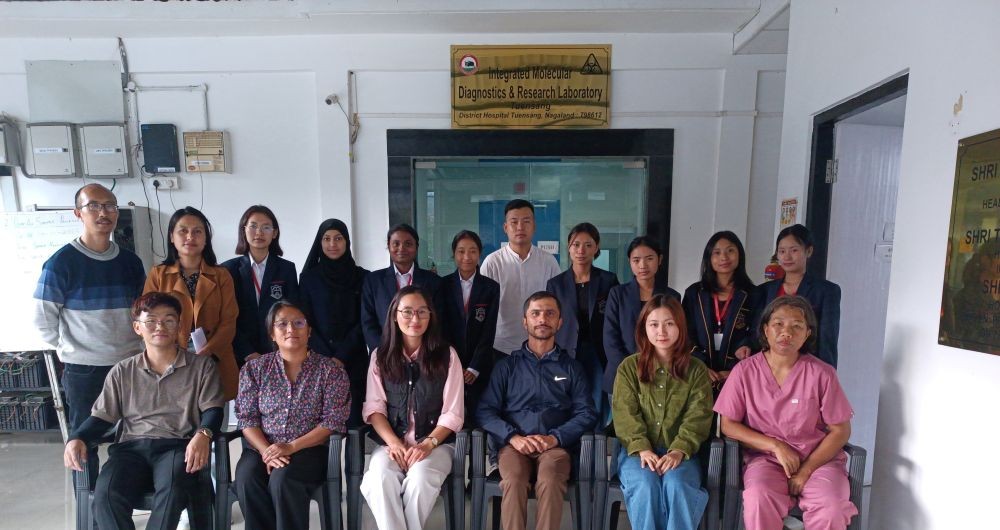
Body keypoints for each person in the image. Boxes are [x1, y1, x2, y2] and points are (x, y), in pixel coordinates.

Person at [63, 291, 225, 530]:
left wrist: (203, 433)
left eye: (169, 320)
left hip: (176, 447)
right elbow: (101, 417)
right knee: (106, 496)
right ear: (137, 327)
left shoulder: (201, 367)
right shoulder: (122, 371)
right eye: (151, 321)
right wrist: (77, 437)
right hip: (131, 449)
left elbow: (213, 409)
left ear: (179, 326)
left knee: (172, 492)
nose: (160, 326)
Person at [35, 183, 146, 485]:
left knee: (133, 437)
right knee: (84, 442)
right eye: (93, 206)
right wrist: (73, 348)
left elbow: (141, 312)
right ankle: (90, 506)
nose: (103, 213)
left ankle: (120, 498)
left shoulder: (130, 263)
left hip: (129, 365)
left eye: (109, 205)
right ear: (78, 213)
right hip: (84, 369)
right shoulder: (61, 263)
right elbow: (43, 319)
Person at [715, 296, 857, 530]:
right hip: (766, 460)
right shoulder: (744, 371)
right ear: (766, 329)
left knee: (831, 509)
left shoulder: (822, 373)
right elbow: (728, 424)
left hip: (818, 462)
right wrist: (776, 446)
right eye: (778, 324)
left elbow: (840, 430)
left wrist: (806, 470)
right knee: (758, 499)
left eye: (797, 326)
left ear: (807, 334)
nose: (786, 332)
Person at [477, 291, 597, 530]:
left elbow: (587, 413)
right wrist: (513, 437)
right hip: (514, 446)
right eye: (536, 313)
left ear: (559, 322)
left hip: (556, 447)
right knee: (514, 479)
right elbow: (485, 411)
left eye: (550, 314)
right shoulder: (506, 367)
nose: (542, 319)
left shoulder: (571, 368)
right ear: (525, 321)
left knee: (550, 478)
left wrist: (555, 437)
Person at [235, 300, 351, 530]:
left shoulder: (330, 371)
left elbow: (333, 421)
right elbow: (247, 418)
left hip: (308, 450)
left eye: (299, 323)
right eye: (282, 324)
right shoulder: (254, 369)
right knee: (248, 478)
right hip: (261, 448)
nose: (291, 329)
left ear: (309, 331)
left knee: (282, 479)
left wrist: (290, 447)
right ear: (272, 333)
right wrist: (266, 451)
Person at [360, 286, 465, 530]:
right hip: (392, 443)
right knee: (378, 479)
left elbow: (453, 413)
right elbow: (375, 408)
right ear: (395, 316)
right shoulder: (380, 356)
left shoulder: (447, 356)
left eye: (422, 312)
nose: (414, 319)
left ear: (431, 316)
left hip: (436, 443)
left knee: (420, 478)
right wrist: (394, 443)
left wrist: (428, 443)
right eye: (407, 312)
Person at [611, 294, 713, 530]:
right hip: (637, 453)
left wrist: (679, 449)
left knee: (677, 485)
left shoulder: (696, 369)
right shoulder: (629, 367)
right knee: (645, 485)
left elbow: (698, 416)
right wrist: (643, 448)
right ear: (643, 328)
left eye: (669, 323)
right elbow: (625, 414)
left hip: (681, 453)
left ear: (680, 327)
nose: (661, 331)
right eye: (654, 324)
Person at [144, 207, 239, 400]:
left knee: (213, 413)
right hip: (170, 358)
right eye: (183, 231)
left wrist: (209, 351)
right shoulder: (158, 274)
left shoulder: (221, 275)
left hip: (215, 357)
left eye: (197, 231)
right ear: (171, 237)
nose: (190, 237)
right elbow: (148, 319)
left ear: (206, 238)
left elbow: (229, 321)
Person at [299, 219, 370, 427]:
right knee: (320, 423)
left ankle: (354, 452)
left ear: (347, 242)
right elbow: (304, 320)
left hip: (353, 359)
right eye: (327, 239)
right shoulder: (308, 278)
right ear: (319, 243)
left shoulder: (363, 277)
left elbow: (364, 320)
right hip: (318, 359)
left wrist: (341, 356)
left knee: (354, 422)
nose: (332, 244)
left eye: (338, 238)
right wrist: (327, 357)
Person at [546, 222, 619, 416]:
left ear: (596, 248)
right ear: (569, 247)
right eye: (576, 244)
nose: (581, 250)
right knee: (567, 399)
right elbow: (551, 321)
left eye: (588, 245)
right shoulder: (555, 284)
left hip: (598, 350)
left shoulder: (608, 280)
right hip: (566, 349)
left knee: (596, 399)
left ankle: (595, 433)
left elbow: (615, 318)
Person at [752, 224, 841, 367]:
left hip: (806, 367)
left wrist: (827, 373)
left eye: (794, 250)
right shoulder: (764, 290)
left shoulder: (827, 291)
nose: (787, 256)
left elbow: (827, 339)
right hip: (769, 366)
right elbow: (757, 332)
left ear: (809, 251)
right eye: (782, 251)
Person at [222, 205, 299, 368]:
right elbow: (226, 318)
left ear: (274, 233)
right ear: (244, 230)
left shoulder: (286, 269)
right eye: (253, 226)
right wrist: (247, 352)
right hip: (240, 355)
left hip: (277, 353)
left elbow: (291, 313)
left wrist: (280, 349)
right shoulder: (228, 270)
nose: (259, 232)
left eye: (266, 227)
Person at [481, 199, 561, 355]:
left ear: (534, 226)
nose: (520, 227)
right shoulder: (492, 262)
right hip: (500, 345)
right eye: (514, 222)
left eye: (526, 221)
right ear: (505, 227)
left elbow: (558, 302)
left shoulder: (548, 261)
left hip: (540, 345)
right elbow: (482, 305)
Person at [603, 236, 681, 396]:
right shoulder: (617, 294)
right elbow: (610, 338)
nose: (643, 265)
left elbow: (676, 336)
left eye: (649, 259)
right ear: (629, 262)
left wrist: (656, 367)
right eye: (636, 260)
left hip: (660, 375)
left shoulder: (672, 296)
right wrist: (631, 369)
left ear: (660, 260)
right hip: (622, 374)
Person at [439, 230, 500, 425]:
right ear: (454, 254)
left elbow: (489, 330)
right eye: (461, 251)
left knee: (479, 416)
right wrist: (454, 364)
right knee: (451, 415)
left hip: (479, 365)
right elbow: (441, 328)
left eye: (473, 251)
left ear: (479, 254)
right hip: (449, 363)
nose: (467, 257)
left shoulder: (491, 287)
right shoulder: (442, 285)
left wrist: (474, 367)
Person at [682, 231, 755, 391]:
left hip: (739, 375)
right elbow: (685, 333)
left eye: (730, 250)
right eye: (717, 252)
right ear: (709, 258)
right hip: (698, 374)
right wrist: (700, 366)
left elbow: (756, 334)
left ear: (740, 255)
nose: (724, 257)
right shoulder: (694, 293)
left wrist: (735, 370)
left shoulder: (753, 294)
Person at [361, 223, 442, 352]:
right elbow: (368, 322)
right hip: (384, 353)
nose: (401, 248)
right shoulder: (373, 281)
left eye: (408, 244)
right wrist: (382, 351)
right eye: (396, 244)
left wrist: (424, 351)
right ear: (388, 246)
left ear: (416, 247)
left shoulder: (433, 281)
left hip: (424, 354)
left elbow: (438, 320)